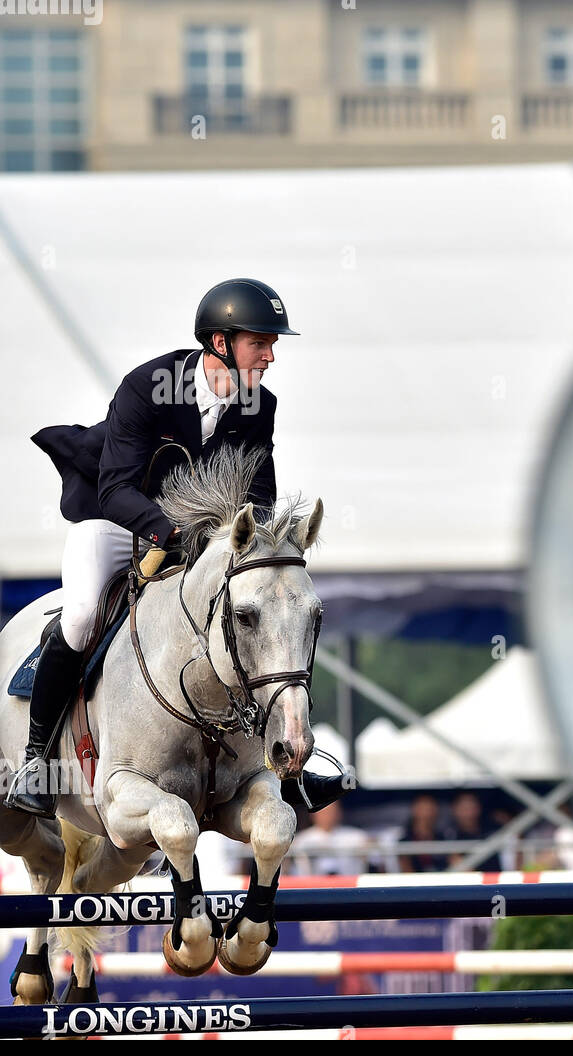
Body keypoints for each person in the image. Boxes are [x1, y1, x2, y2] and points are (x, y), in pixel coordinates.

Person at [6, 279, 347, 818]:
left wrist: (250, 547)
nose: (271, 354)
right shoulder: (147, 386)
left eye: (271, 343)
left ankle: (285, 762)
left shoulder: (260, 404)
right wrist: (169, 535)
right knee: (81, 614)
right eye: (260, 342)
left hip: (199, 536)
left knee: (261, 614)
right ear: (219, 343)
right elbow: (115, 487)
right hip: (114, 518)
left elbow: (258, 492)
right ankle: (34, 759)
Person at [289, 801, 371, 876]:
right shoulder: (301, 840)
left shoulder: (356, 836)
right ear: (314, 815)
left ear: (339, 813)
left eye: (331, 812)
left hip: (348, 885)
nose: (328, 815)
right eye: (324, 812)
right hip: (313, 886)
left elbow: (372, 858)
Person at [441, 791, 502, 872]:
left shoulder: (490, 832)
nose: (468, 813)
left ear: (478, 808)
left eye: (471, 807)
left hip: (494, 878)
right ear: (454, 809)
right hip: (465, 881)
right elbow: (454, 861)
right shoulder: (449, 835)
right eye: (464, 808)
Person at [399, 794, 444, 873]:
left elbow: (456, 863)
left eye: (430, 808)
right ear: (414, 810)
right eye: (423, 808)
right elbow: (405, 870)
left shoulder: (442, 838)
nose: (427, 813)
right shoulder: (405, 840)